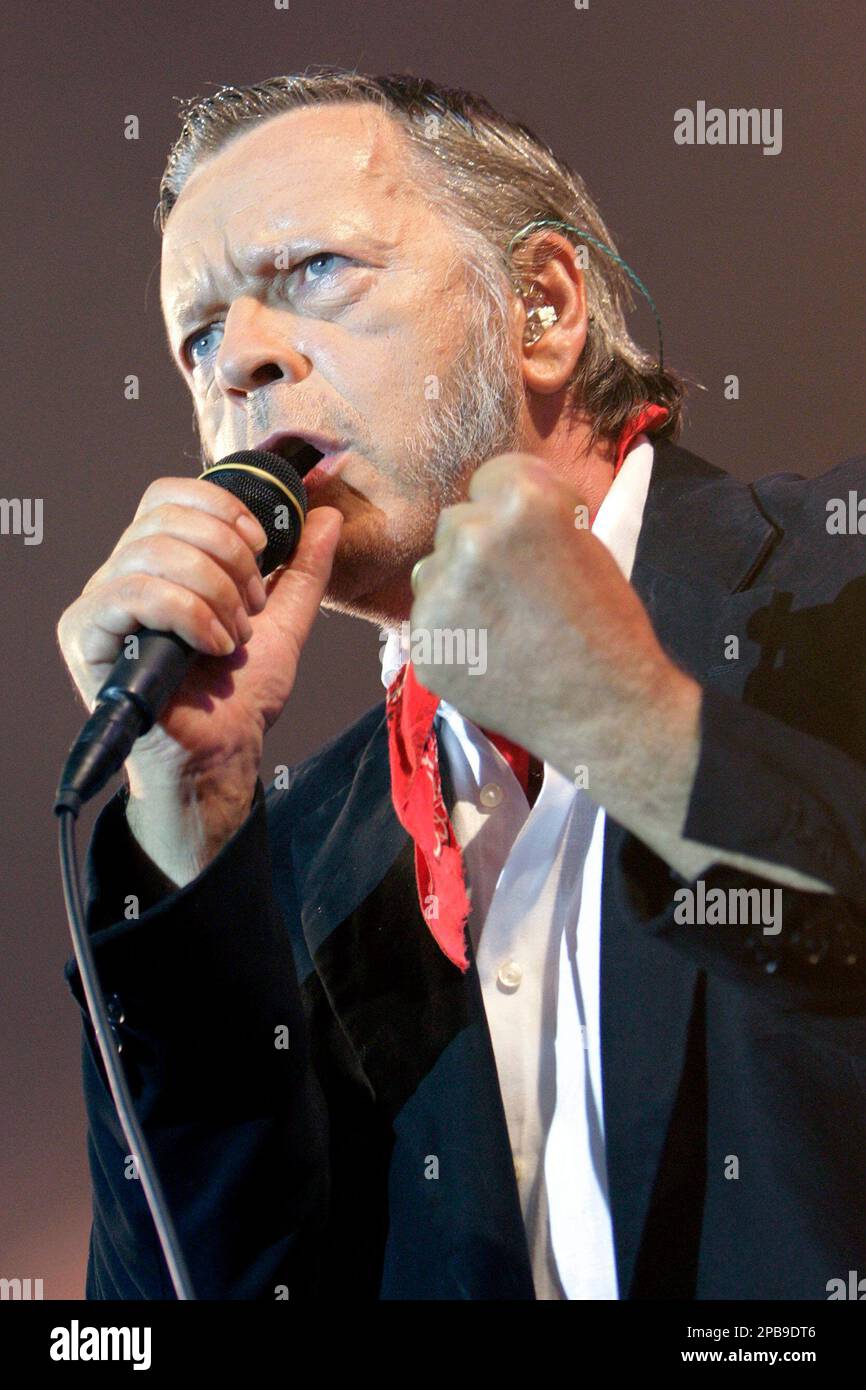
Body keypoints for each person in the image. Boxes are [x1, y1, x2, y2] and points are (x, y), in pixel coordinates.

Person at [57, 71, 866, 1301]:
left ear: (540, 307)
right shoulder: (281, 863)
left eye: (313, 270)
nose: (243, 361)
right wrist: (184, 824)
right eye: (201, 334)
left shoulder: (837, 580)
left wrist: (631, 725)